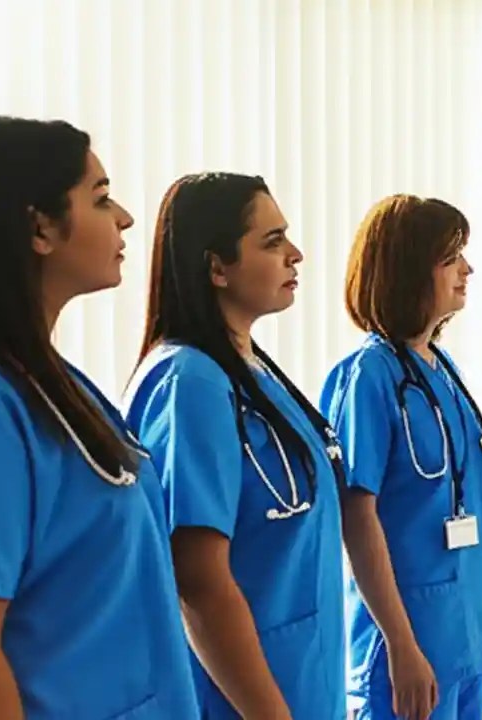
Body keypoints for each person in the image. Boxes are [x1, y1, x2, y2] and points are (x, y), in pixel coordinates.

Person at [0, 115, 198, 718]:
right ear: (40, 227)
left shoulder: (55, 383)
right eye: (101, 198)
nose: (127, 218)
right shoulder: (0, 406)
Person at [122, 172, 346, 720]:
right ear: (216, 267)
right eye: (272, 242)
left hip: (299, 679)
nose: (296, 254)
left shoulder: (252, 373)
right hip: (243, 700)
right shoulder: (191, 381)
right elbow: (197, 581)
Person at [319, 195, 482, 720]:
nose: (468, 269)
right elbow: (357, 513)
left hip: (463, 639)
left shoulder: (442, 370)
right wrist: (399, 642)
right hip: (405, 648)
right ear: (410, 269)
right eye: (452, 258)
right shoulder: (367, 378)